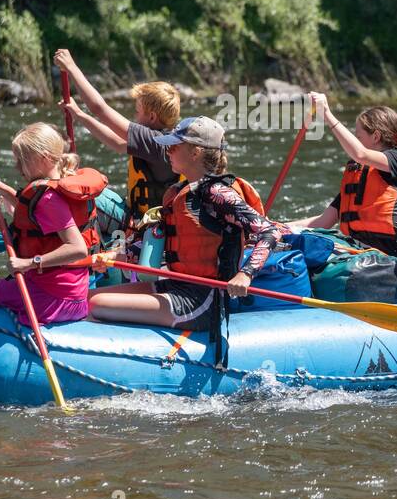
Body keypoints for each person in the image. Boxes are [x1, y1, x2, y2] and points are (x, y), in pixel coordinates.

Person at [87, 117, 281, 341]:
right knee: (88, 298)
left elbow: (269, 231)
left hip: (203, 300)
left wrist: (245, 275)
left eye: (174, 146)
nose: (168, 151)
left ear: (195, 152)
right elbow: (154, 240)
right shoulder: (178, 192)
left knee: (96, 304)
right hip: (176, 285)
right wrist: (115, 256)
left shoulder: (217, 193)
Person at [0, 123, 104, 326]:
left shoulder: (49, 198)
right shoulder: (62, 184)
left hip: (51, 299)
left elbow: (78, 249)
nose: (17, 167)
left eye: (22, 160)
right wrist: (1, 188)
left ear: (44, 158)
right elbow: (34, 210)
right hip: (75, 298)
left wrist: (29, 263)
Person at [286, 95, 397, 262]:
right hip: (358, 255)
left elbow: (360, 154)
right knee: (303, 247)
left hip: (393, 262)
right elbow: (323, 221)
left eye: (358, 137)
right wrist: (279, 227)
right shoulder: (359, 176)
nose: (356, 141)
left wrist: (326, 113)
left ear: (376, 136)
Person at [53, 49, 182, 235]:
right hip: (141, 217)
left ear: (152, 117)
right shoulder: (162, 141)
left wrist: (72, 68)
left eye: (138, 111)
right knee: (84, 186)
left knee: (81, 193)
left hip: (145, 225)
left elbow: (100, 109)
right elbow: (115, 142)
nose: (134, 116)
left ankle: (71, 240)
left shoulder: (154, 141)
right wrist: (80, 115)